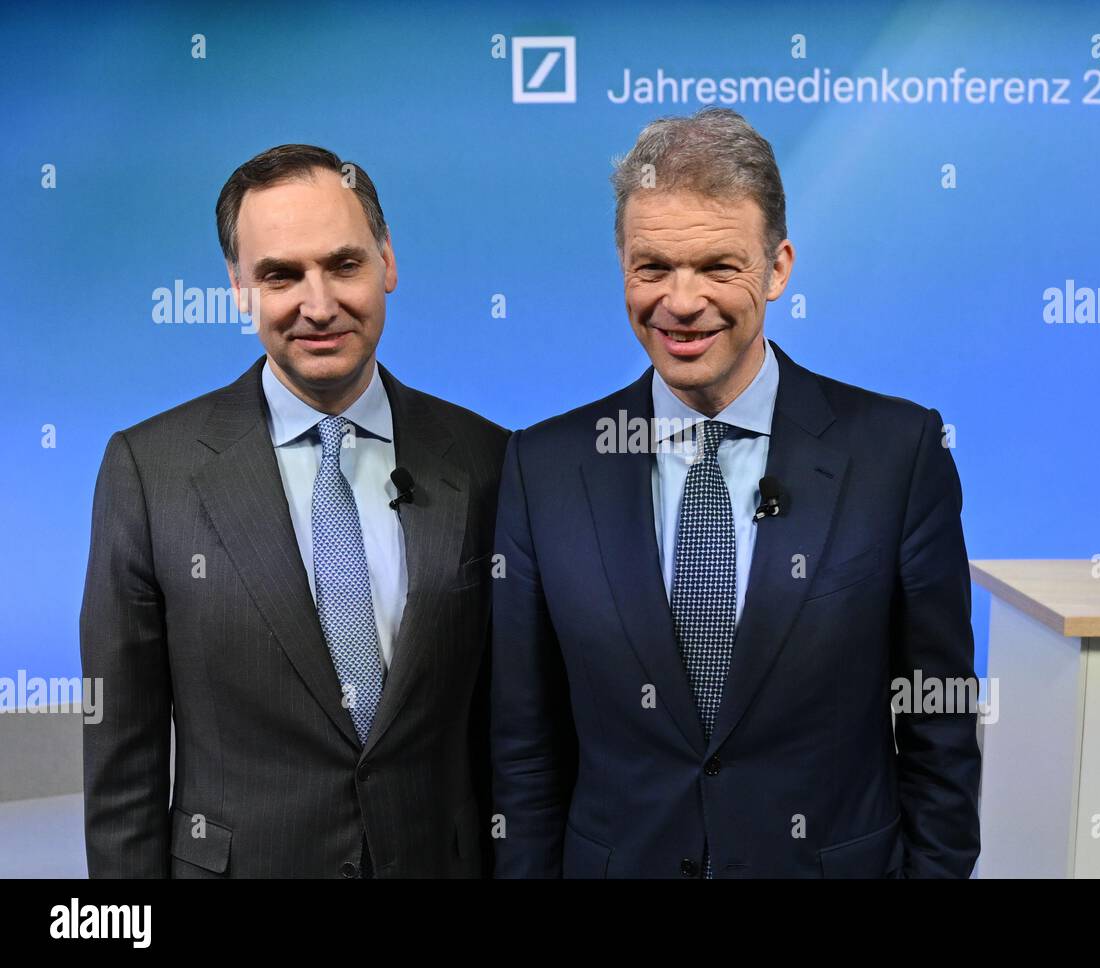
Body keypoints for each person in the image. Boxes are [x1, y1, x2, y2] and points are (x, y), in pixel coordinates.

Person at [491, 108, 980, 878]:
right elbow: (523, 748)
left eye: (719, 266)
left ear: (778, 268)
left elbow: (938, 717)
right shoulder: (542, 467)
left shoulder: (897, 453)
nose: (682, 303)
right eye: (653, 267)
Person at [81, 144, 507, 877]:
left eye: (344, 265)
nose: (318, 304)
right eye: (281, 275)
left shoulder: (489, 457)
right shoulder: (150, 471)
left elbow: (513, 735)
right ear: (239, 288)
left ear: (388, 263)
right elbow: (124, 763)